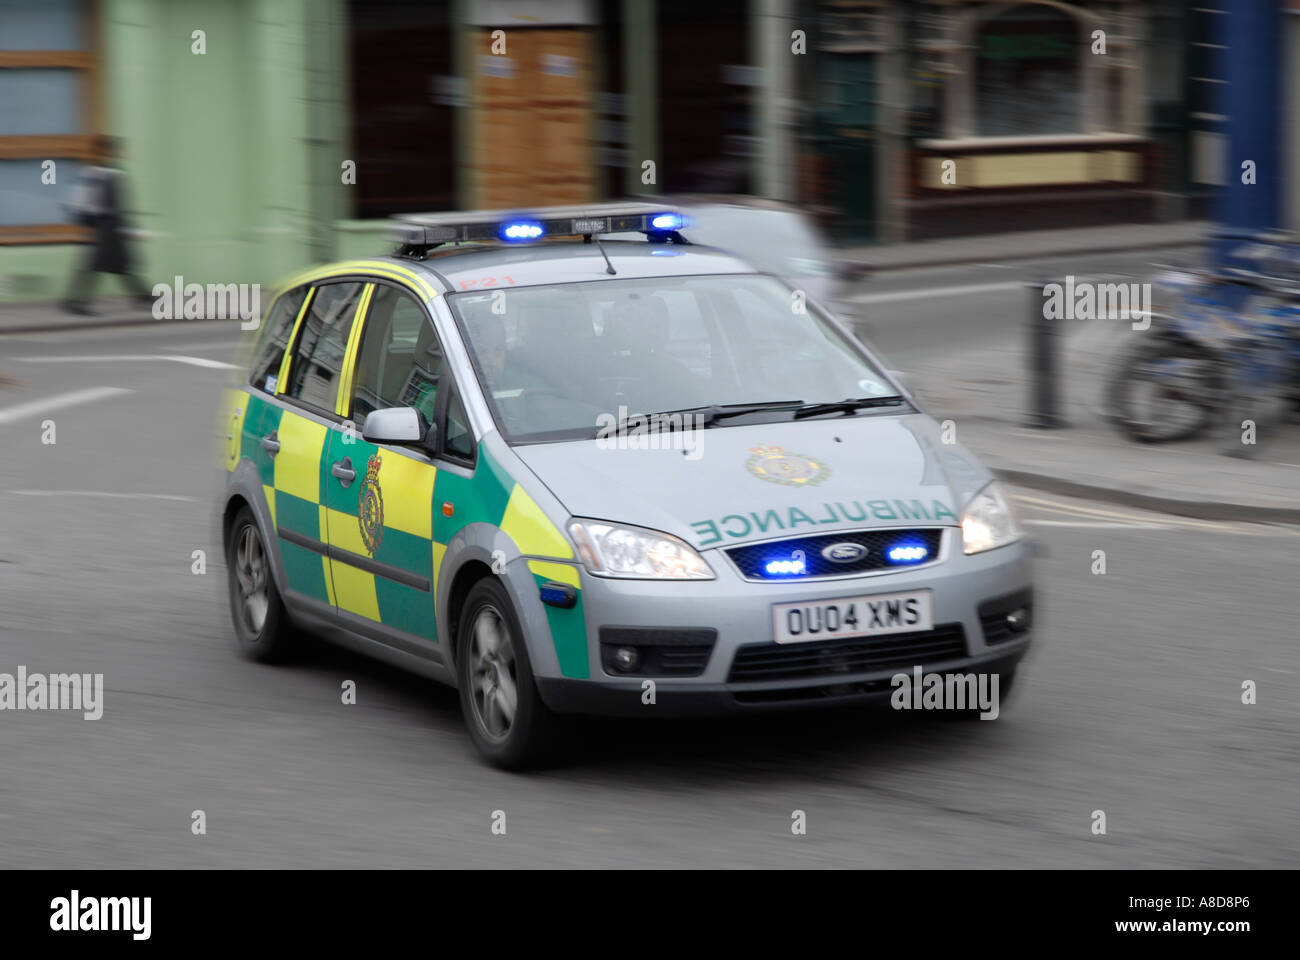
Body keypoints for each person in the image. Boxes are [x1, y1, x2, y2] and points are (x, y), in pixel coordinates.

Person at [62, 136, 152, 315]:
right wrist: (129, 229)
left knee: (121, 264)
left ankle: (143, 296)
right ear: (106, 152)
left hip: (107, 225)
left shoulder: (100, 172)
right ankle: (75, 301)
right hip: (107, 225)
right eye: (114, 150)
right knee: (97, 265)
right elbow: (113, 205)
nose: (117, 153)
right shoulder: (104, 174)